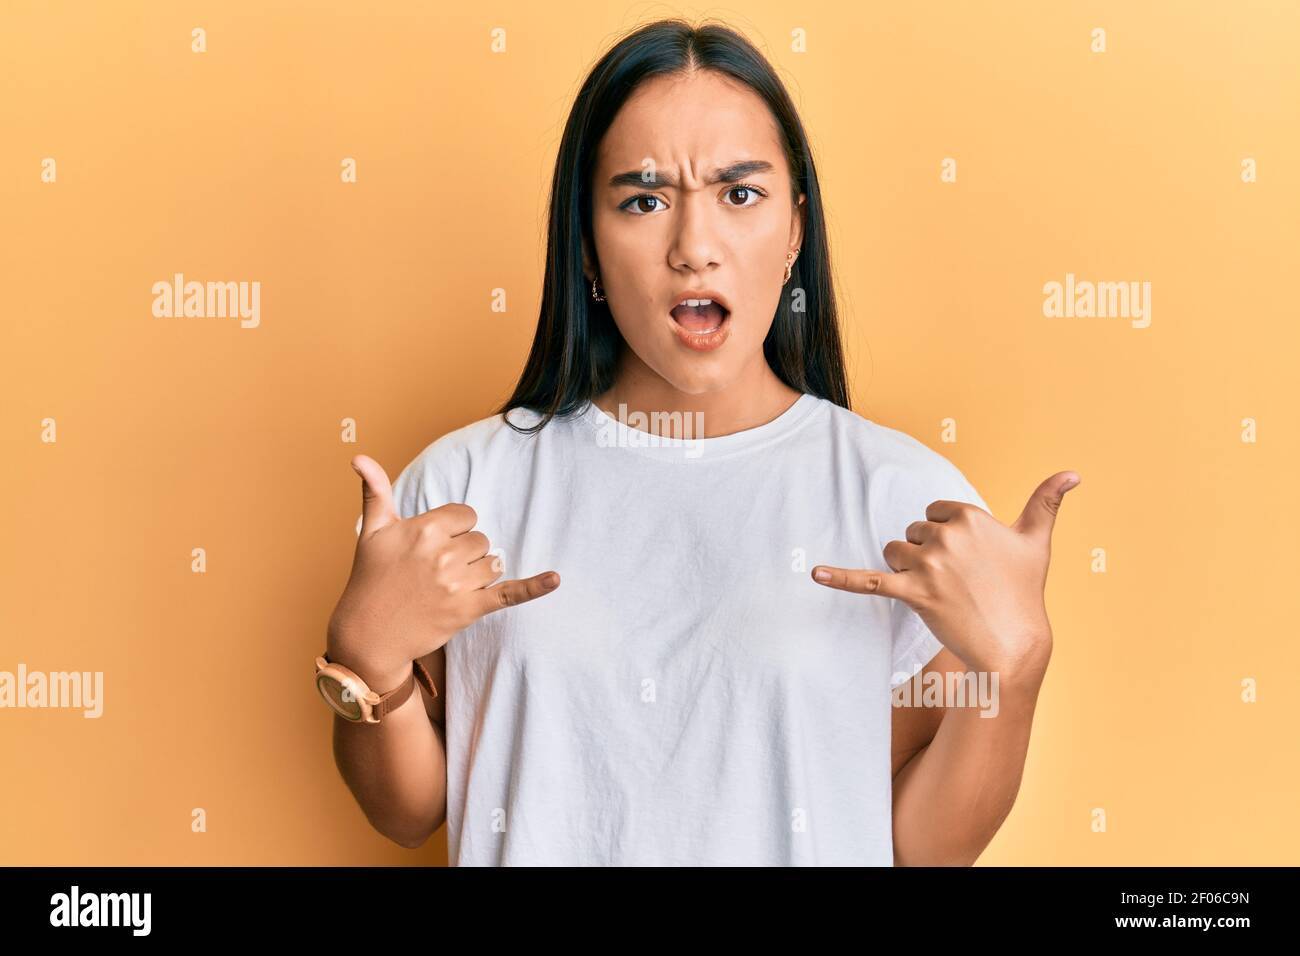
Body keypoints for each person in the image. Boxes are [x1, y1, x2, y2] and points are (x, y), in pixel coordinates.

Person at [324, 18, 1079, 866]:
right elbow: (407, 812)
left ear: (795, 231)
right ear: (585, 244)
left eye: (740, 193)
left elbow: (919, 848)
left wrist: (1016, 668)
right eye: (644, 200)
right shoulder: (467, 485)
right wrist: (366, 657)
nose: (694, 249)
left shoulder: (902, 500)